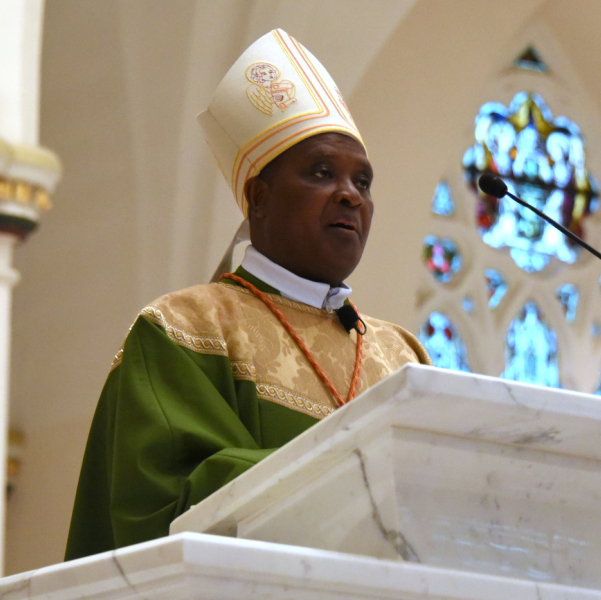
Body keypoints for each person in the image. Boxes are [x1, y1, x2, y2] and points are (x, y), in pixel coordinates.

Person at [64, 29, 430, 561]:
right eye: (322, 172)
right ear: (259, 196)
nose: (351, 195)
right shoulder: (186, 329)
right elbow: (166, 505)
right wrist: (355, 479)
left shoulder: (402, 356)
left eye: (363, 182)